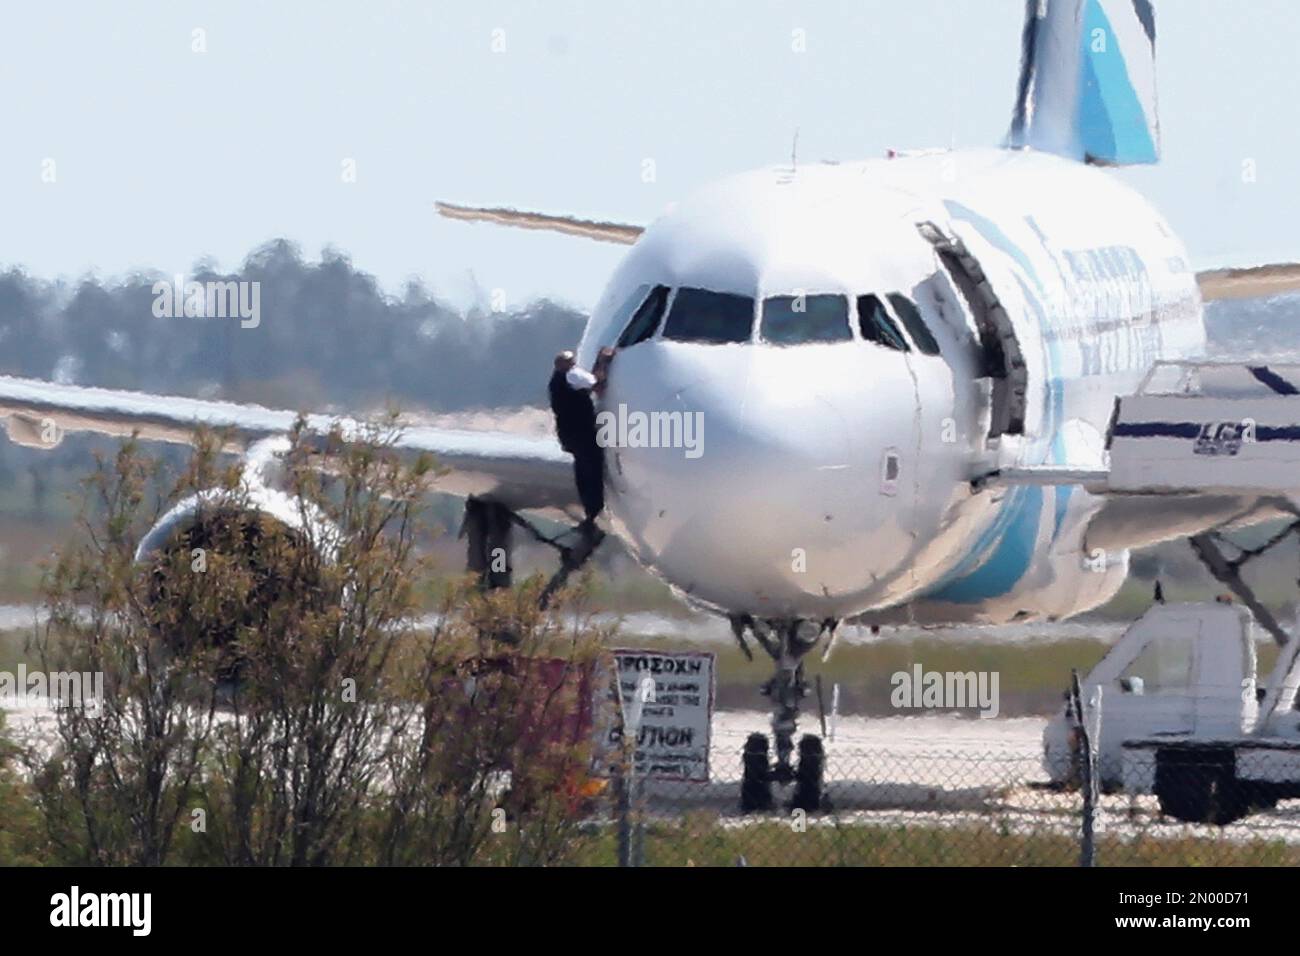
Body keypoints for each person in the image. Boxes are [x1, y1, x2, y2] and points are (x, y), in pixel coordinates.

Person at [549, 348, 614, 528]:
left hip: (569, 434)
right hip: (583, 432)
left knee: (582, 469)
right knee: (592, 467)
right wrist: (603, 362)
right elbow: (597, 385)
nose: (574, 364)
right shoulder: (572, 376)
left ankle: (590, 512)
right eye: (571, 362)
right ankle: (594, 509)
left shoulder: (556, 381)